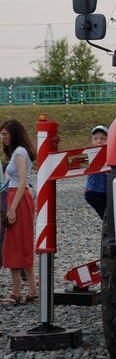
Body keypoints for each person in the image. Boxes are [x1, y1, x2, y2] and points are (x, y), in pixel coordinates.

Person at [0, 119, 38, 305]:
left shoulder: (20, 153)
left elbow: (22, 181)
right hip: (16, 197)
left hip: (18, 198)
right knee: (19, 243)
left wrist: (12, 209)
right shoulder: (18, 152)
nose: (2, 138)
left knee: (15, 244)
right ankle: (32, 290)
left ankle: (16, 293)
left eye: (5, 134)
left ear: (13, 134)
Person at [84, 125, 109, 219]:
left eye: (103, 138)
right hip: (93, 191)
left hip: (106, 192)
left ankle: (108, 226)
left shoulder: (111, 153)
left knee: (108, 216)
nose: (99, 141)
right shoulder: (91, 153)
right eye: (95, 138)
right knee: (107, 216)